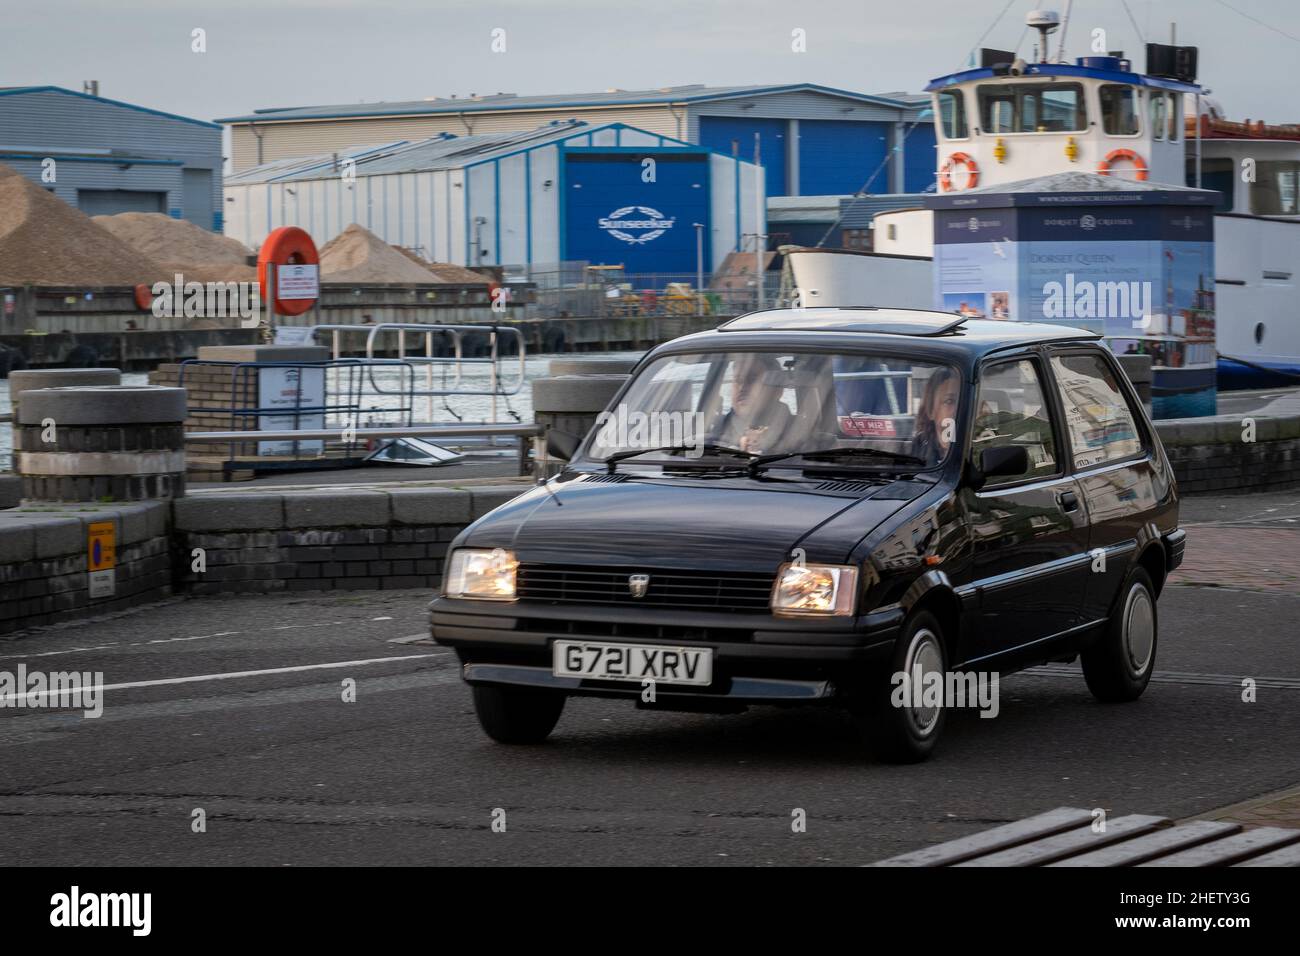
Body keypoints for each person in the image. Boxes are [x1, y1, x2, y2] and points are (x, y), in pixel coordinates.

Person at [716, 354, 795, 454]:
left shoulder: (800, 431)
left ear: (777, 390)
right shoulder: (714, 431)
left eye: (752, 379)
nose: (742, 388)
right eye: (738, 380)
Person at [910, 367, 961, 467]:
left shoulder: (977, 443)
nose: (959, 408)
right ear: (931, 411)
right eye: (949, 401)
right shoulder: (919, 448)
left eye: (964, 400)